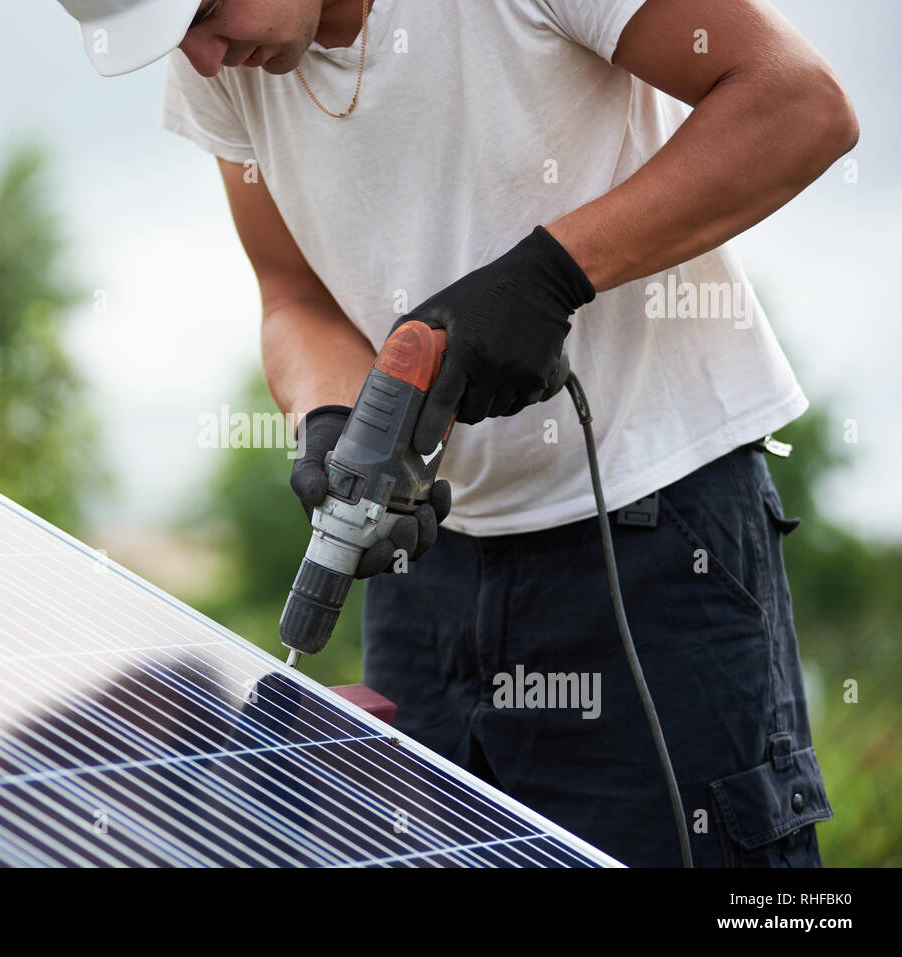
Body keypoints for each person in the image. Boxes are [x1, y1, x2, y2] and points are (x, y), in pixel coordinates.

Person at [55, 0, 858, 867]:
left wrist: (552, 276)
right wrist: (329, 415)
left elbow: (798, 104)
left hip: (659, 543)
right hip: (426, 561)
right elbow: (292, 295)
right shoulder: (221, 55)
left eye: (207, 14)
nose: (203, 59)